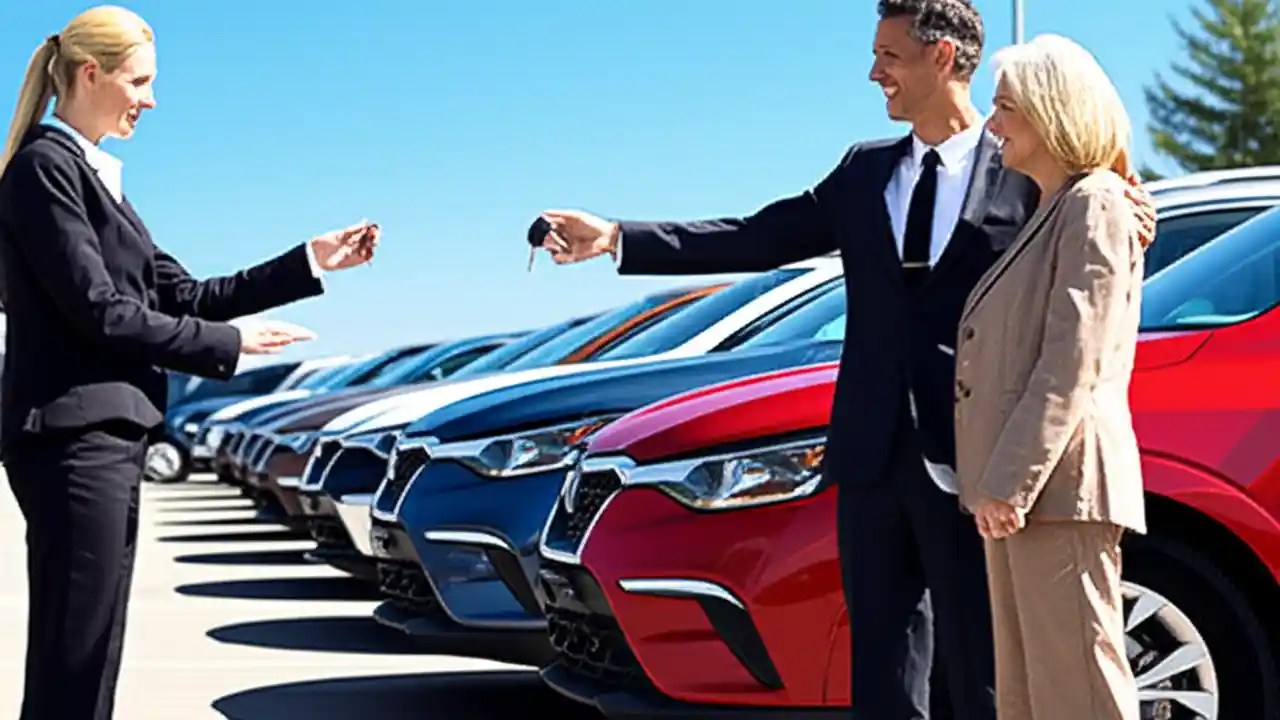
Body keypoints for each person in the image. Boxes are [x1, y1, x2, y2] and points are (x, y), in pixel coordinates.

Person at [535, 1, 1155, 718]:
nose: (873, 73)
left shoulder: (1024, 164)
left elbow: (1096, 221)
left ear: (943, 58)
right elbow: (759, 237)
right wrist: (615, 237)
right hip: (871, 456)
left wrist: (1137, 204)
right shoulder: (864, 173)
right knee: (883, 668)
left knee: (990, 664)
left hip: (980, 457)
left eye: (889, 56)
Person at [0, 6, 380, 719]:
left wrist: (310, 261)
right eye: (140, 81)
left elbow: (189, 294)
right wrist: (230, 349)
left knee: (91, 650)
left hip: (104, 439)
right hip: (71, 442)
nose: (150, 99)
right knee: (72, 654)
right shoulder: (45, 172)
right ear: (92, 74)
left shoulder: (95, 181)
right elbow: (102, 311)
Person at [954, 34, 1148, 720]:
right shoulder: (1061, 206)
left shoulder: (1094, 204)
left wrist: (1010, 480)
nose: (993, 124)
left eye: (1005, 107)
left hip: (1055, 489)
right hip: (1027, 493)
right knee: (1032, 697)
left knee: (1078, 691)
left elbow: (1073, 360)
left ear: (1052, 111)